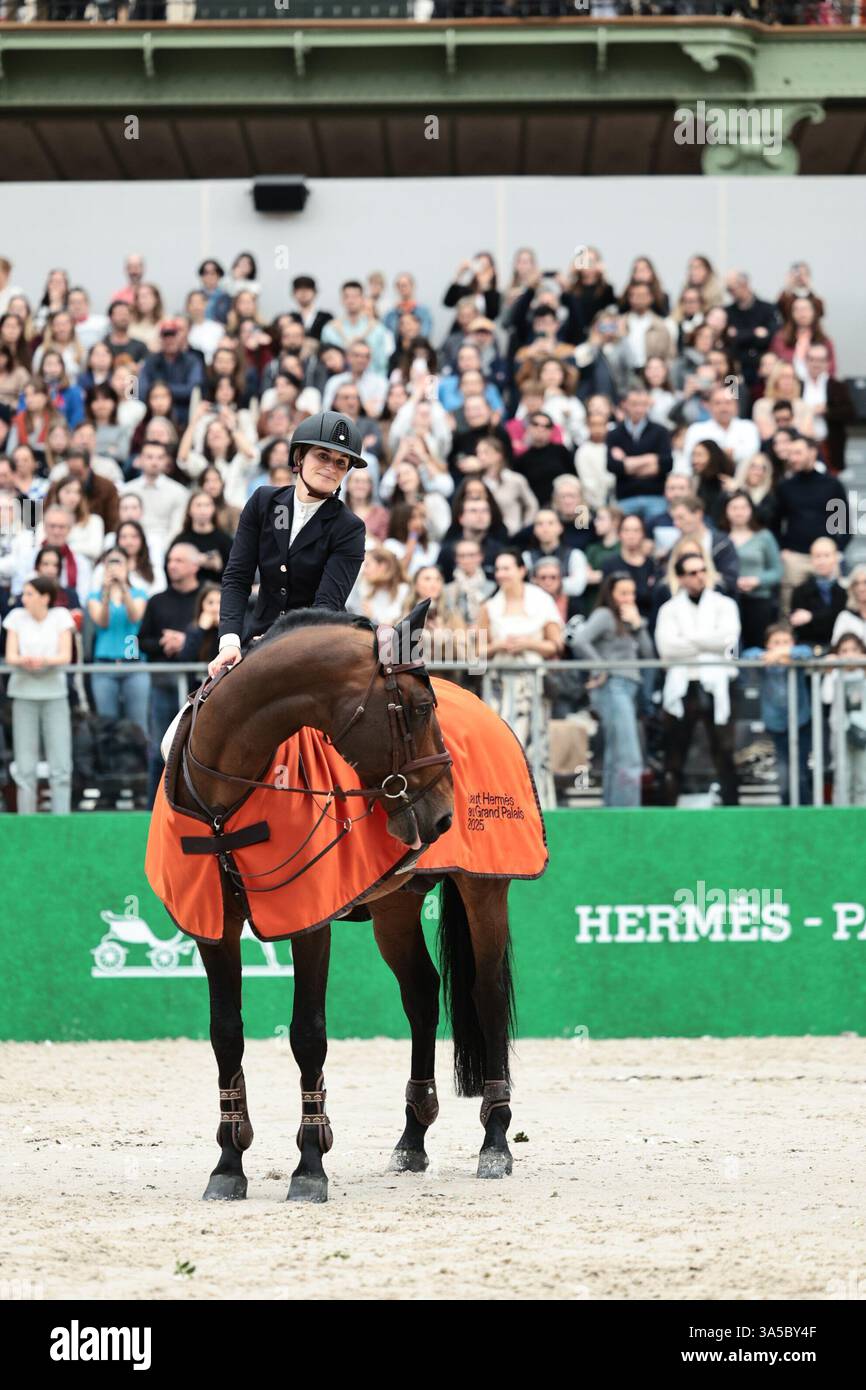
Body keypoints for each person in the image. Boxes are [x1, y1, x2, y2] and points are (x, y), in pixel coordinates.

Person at [209, 411, 368, 675]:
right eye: (323, 456)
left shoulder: (349, 528)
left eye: (341, 463)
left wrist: (279, 641)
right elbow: (237, 578)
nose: (331, 467)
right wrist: (229, 642)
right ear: (300, 457)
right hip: (255, 643)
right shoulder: (262, 503)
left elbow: (325, 606)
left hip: (314, 649)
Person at [477, 548, 564, 808]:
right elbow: (477, 651)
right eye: (499, 569)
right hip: (499, 685)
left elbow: (555, 645)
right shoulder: (489, 606)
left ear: (521, 570)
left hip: (532, 684)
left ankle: (541, 807)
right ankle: (505, 806)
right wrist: (499, 646)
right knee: (499, 746)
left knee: (535, 746)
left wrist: (528, 644)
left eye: (507, 568)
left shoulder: (541, 601)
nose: (502, 574)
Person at [655, 552, 742, 806]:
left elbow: (728, 642)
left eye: (703, 570)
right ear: (681, 578)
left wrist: (688, 641)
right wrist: (706, 643)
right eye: (692, 572)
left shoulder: (725, 604)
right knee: (674, 754)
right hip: (682, 687)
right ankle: (667, 814)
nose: (700, 576)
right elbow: (667, 649)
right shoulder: (669, 609)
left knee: (724, 751)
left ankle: (732, 811)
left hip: (719, 684)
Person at [568, 572, 654, 806]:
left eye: (632, 593)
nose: (628, 598)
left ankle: (614, 810)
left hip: (629, 688)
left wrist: (639, 626)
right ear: (611, 595)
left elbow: (648, 655)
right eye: (623, 593)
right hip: (613, 687)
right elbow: (579, 640)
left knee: (618, 755)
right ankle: (628, 814)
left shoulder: (631, 621)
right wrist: (601, 669)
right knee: (628, 756)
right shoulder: (604, 615)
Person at [138, 541, 205, 801]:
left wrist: (186, 639)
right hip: (163, 684)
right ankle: (155, 806)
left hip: (201, 686)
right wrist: (163, 643)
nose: (171, 565)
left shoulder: (208, 597)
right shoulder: (157, 601)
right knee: (159, 748)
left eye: (178, 560)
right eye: (169, 560)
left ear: (194, 566)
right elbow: (139, 642)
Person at [2, 576, 74, 814]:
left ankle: (61, 819)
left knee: (61, 762)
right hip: (24, 694)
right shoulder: (16, 618)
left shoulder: (61, 617)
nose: (25, 598)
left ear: (45, 597)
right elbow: (11, 655)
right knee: (25, 764)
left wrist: (42, 661)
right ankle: (26, 820)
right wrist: (26, 661)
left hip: (55, 693)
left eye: (30, 593)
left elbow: (65, 655)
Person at [741, 622, 812, 807]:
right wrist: (767, 656)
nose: (782, 645)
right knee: (784, 773)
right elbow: (746, 656)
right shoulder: (764, 658)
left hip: (800, 720)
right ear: (767, 644)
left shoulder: (794, 655)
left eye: (786, 641)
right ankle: (786, 810)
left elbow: (806, 652)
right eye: (776, 642)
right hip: (776, 723)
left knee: (801, 772)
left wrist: (780, 654)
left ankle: (805, 812)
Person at [776, 438, 849, 610]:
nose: (793, 458)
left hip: (827, 557)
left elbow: (843, 524)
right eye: (791, 454)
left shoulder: (831, 484)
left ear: (812, 453)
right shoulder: (785, 486)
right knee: (789, 609)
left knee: (833, 608)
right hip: (796, 558)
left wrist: (837, 550)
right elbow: (775, 522)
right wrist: (783, 549)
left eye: (798, 453)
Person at [86, 546, 150, 732]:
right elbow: (102, 622)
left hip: (134, 664)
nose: (114, 567)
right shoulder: (94, 596)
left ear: (128, 565)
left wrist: (123, 587)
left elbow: (135, 616)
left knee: (138, 725)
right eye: (110, 563)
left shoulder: (139, 593)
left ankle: (140, 762)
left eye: (118, 562)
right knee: (107, 726)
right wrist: (106, 594)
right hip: (104, 665)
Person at [720, 491, 782, 649]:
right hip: (727, 600)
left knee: (757, 647)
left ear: (751, 510)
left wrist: (758, 581)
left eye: (743, 507)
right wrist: (732, 581)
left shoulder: (764, 536)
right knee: (731, 646)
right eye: (734, 507)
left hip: (759, 600)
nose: (739, 512)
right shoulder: (719, 538)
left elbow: (777, 571)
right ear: (726, 510)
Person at [604, 386, 673, 523]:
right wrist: (650, 459)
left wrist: (627, 462)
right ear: (625, 405)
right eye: (634, 404)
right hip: (625, 497)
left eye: (643, 404)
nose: (639, 409)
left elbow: (666, 463)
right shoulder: (614, 434)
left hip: (655, 496)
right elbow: (613, 466)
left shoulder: (660, 431)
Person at [823, 633, 866, 807]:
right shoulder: (834, 674)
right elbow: (826, 697)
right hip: (840, 731)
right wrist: (830, 670)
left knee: (863, 778)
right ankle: (841, 821)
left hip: (864, 731)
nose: (849, 654)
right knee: (842, 777)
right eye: (844, 650)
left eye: (854, 650)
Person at [789, 536, 847, 650]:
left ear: (835, 558)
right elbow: (800, 627)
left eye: (826, 555)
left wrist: (811, 617)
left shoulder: (843, 591)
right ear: (811, 559)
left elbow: (841, 620)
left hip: (839, 649)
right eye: (817, 556)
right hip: (809, 647)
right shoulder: (800, 591)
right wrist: (826, 617)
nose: (822, 561)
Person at [180, 583, 222, 671]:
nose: (215, 608)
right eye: (210, 603)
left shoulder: (232, 628)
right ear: (201, 605)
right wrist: (201, 629)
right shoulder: (193, 628)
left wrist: (223, 627)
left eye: (220, 603)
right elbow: (186, 658)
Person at [831, 566, 866, 647]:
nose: (861, 588)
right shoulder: (845, 617)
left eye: (865, 582)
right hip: (852, 659)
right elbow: (836, 647)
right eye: (856, 584)